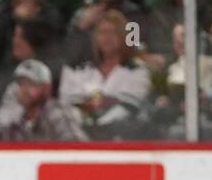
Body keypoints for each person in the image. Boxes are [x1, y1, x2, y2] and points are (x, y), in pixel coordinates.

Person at [58, 9, 152, 138]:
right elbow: (69, 103)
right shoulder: (82, 70)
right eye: (102, 32)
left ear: (123, 37)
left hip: (123, 139)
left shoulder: (137, 72)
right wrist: (87, 123)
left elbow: (128, 108)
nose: (107, 38)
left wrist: (98, 125)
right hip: (81, 138)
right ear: (95, 37)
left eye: (113, 32)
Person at [0, 58, 87, 139]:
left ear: (46, 87)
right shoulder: (16, 120)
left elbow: (79, 149)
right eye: (21, 84)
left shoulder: (58, 115)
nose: (24, 90)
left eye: (31, 84)